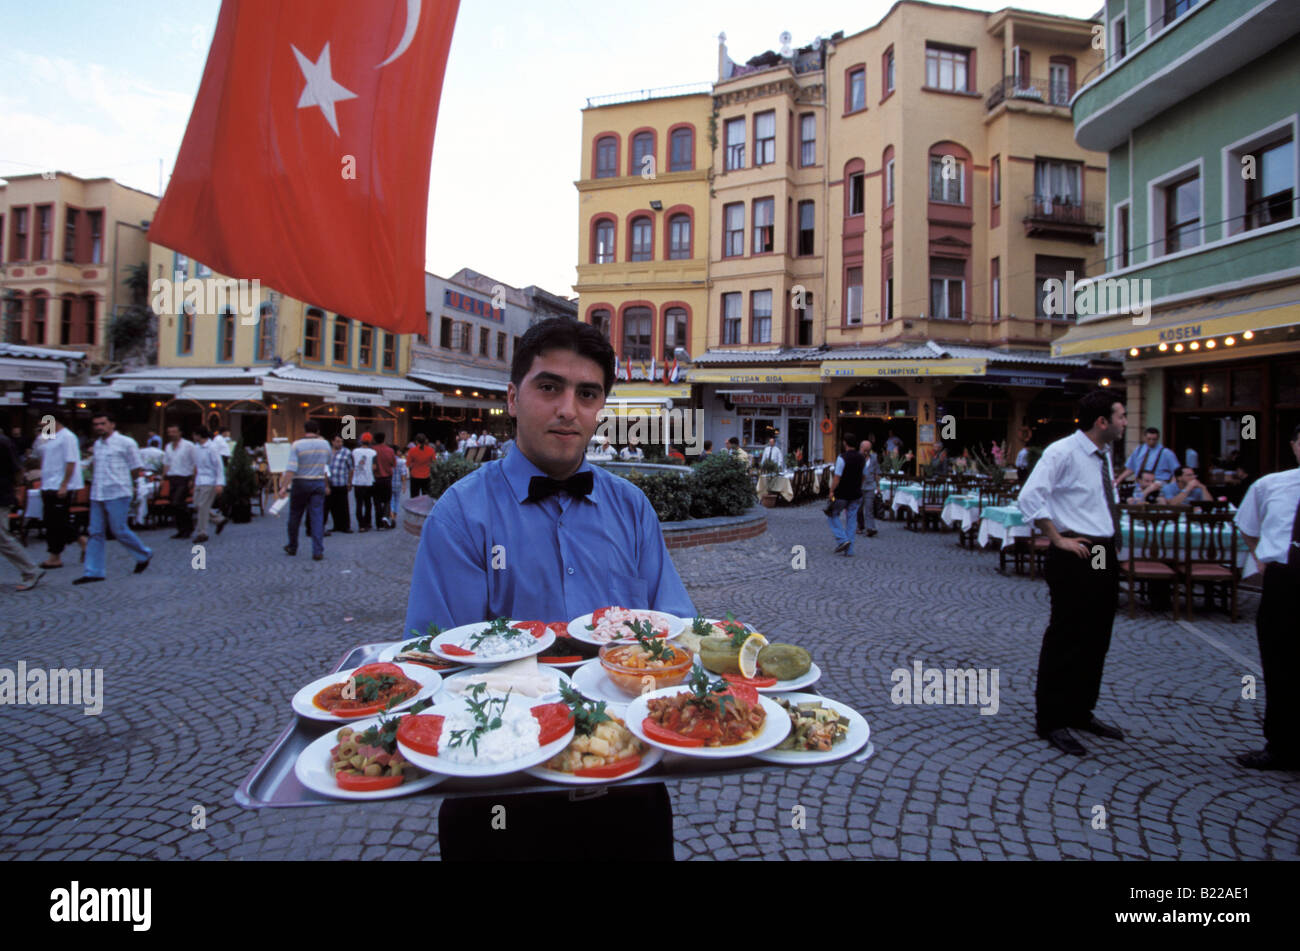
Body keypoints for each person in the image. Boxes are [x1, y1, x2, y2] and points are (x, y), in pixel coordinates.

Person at [404, 319, 695, 631]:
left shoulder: (633, 509)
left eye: (586, 394)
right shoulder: (460, 517)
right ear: (513, 399)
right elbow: (436, 656)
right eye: (548, 388)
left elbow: (676, 628)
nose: (568, 410)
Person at [1017, 389, 1128, 757]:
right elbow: (1030, 496)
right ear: (1102, 422)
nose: (1125, 422)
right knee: (1066, 635)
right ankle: (1051, 719)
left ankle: (1081, 710)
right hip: (1076, 551)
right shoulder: (1062, 451)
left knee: (1097, 635)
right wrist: (1056, 538)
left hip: (1100, 551)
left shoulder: (1103, 454)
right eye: (1121, 416)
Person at [1234, 423, 1300, 770]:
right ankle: (1280, 745)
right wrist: (1260, 558)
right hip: (1284, 582)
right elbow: (1246, 523)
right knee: (1279, 664)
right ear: (1294, 446)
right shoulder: (1271, 485)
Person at [76, 412, 152, 584]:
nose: (99, 427)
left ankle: (144, 553)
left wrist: (130, 485)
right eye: (96, 424)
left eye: (102, 423)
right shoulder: (97, 444)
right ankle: (93, 571)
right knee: (95, 532)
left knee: (118, 529)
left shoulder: (126, 443)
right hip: (98, 493)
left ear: (112, 424)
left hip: (118, 492)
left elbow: (136, 466)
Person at [35, 410, 84, 570]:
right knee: (51, 521)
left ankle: (55, 555)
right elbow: (39, 455)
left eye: (44, 421)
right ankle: (80, 542)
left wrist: (64, 484)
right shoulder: (48, 438)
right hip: (48, 483)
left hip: (60, 485)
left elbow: (71, 461)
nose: (41, 424)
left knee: (58, 521)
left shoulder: (68, 437)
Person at [278, 419, 331, 560]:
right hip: (318, 482)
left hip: (300, 482)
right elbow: (328, 462)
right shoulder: (325, 444)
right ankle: (317, 550)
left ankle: (293, 545)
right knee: (317, 517)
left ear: (305, 430)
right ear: (318, 431)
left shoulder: (297, 445)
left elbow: (291, 468)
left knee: (295, 515)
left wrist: (283, 487)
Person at [0, 429, 43, 591]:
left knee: (2, 537)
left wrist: (16, 490)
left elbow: (18, 470)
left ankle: (31, 570)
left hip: (1, 495)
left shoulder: (3, 442)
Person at [827, 434, 865, 557]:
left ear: (845, 443)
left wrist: (832, 490)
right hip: (856, 493)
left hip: (842, 493)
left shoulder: (842, 458)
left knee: (832, 514)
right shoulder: (862, 458)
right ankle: (849, 550)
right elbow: (864, 475)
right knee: (852, 521)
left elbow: (837, 477)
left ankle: (843, 540)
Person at [191, 427, 227, 543]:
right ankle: (219, 519)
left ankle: (202, 532)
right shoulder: (196, 447)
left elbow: (219, 466)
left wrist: (219, 483)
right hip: (199, 480)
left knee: (202, 506)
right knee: (197, 504)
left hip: (210, 480)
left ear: (199, 435)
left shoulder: (212, 448)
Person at [162, 423, 197, 540]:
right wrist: (163, 478)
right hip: (172, 477)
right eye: (169, 432)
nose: (171, 435)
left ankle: (189, 527)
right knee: (174, 504)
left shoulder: (189, 446)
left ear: (180, 433)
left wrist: (193, 479)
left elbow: (195, 463)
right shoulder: (168, 446)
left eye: (174, 432)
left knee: (178, 502)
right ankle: (181, 529)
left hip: (184, 477)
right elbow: (166, 463)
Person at [325, 434, 354, 533]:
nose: (340, 443)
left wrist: (350, 482)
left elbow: (351, 468)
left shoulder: (346, 452)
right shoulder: (328, 452)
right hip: (330, 482)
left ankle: (346, 526)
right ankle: (336, 525)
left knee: (343, 505)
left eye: (341, 441)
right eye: (337, 441)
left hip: (342, 482)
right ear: (332, 442)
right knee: (332, 506)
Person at [352, 433, 377, 532]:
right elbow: (374, 467)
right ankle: (368, 522)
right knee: (368, 503)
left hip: (357, 480)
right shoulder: (373, 452)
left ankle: (361, 525)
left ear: (361, 441)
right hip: (369, 481)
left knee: (358, 504)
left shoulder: (354, 451)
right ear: (370, 441)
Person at [856, 438, 880, 537]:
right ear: (861, 448)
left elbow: (876, 473)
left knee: (869, 508)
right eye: (865, 449)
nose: (866, 452)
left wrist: (878, 485)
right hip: (858, 486)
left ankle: (870, 528)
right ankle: (860, 526)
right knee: (859, 508)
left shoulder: (874, 458)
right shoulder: (857, 457)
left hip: (870, 486)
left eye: (868, 450)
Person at [371, 432, 396, 529]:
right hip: (387, 478)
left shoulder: (372, 450)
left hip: (376, 478)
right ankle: (385, 517)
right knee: (387, 500)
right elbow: (393, 464)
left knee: (376, 501)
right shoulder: (390, 450)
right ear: (384, 439)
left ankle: (378, 523)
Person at [391, 445, 409, 521]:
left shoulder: (389, 460)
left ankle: (391, 513)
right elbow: (403, 473)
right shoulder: (402, 461)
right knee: (397, 499)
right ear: (397, 452)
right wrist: (404, 485)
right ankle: (395, 514)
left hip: (390, 483)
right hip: (398, 483)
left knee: (391, 499)